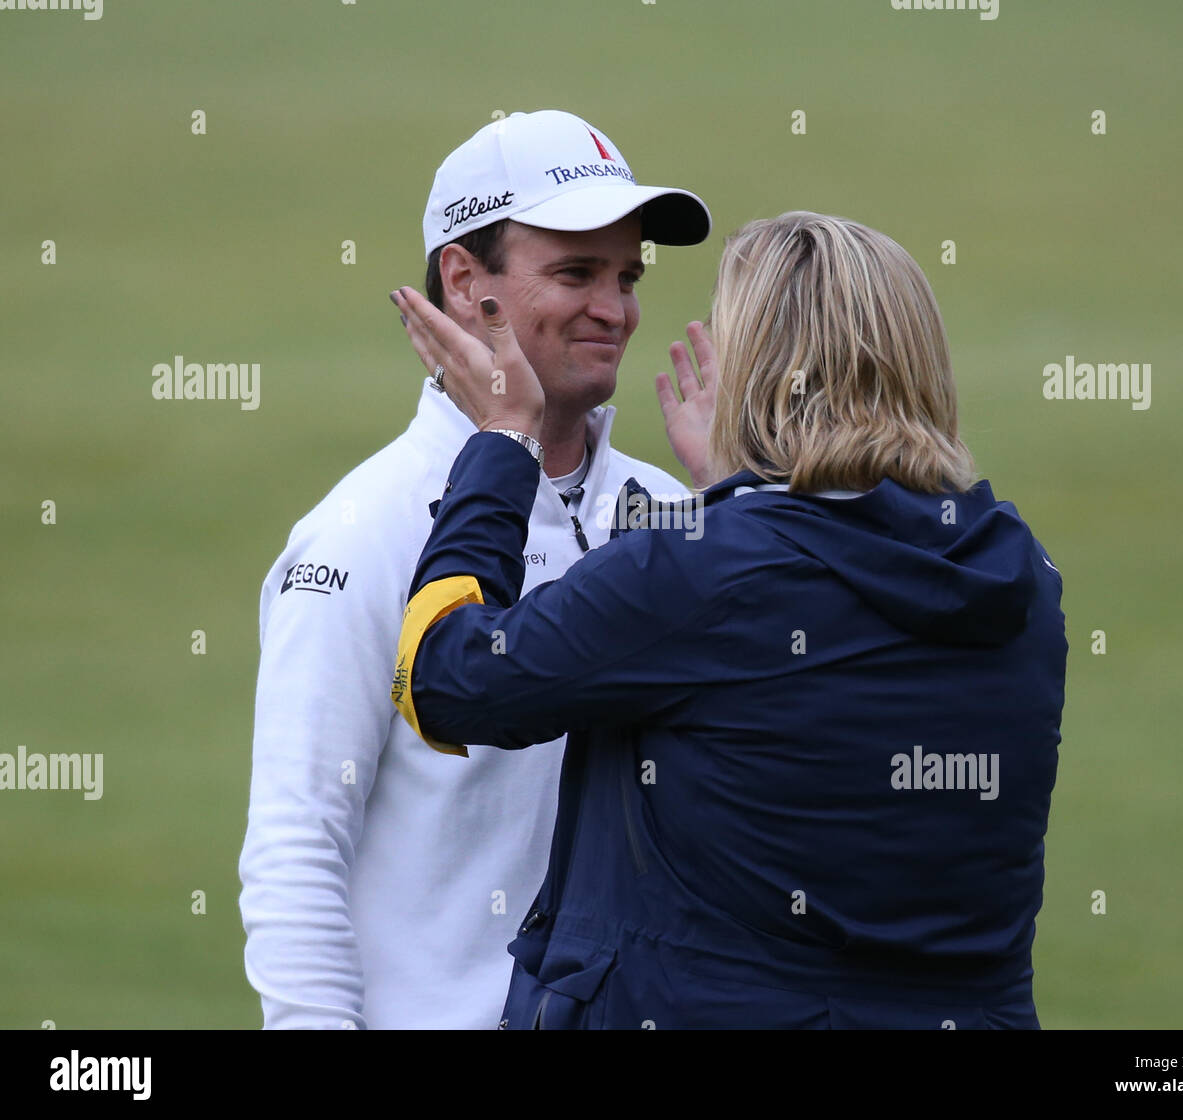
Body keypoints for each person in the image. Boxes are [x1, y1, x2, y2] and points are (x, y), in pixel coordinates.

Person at [389, 211, 1068, 1029]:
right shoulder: (1015, 571)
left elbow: (446, 678)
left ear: (759, 365)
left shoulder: (703, 570)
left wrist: (505, 441)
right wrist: (745, 491)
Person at [237, 109, 710, 1029]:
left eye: (626, 276)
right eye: (576, 273)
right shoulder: (358, 533)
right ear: (464, 282)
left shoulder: (674, 510)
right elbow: (298, 848)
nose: (614, 308)